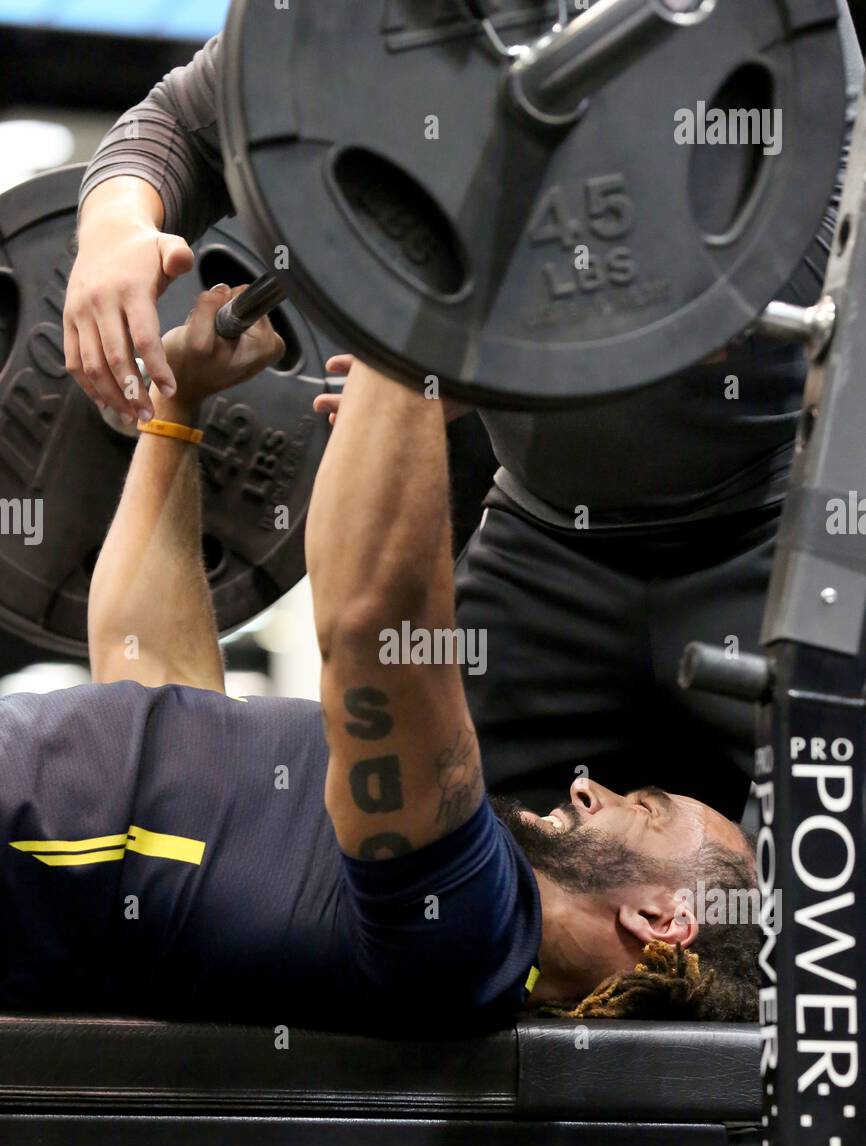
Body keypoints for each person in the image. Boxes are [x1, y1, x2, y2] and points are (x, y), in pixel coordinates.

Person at [63, 14, 864, 821]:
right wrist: (115, 232)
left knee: (821, 904)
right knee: (419, 842)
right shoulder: (381, 23)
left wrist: (502, 361)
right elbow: (178, 125)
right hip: (545, 545)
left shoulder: (773, 33)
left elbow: (745, 298)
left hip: (767, 529)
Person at [0, 288, 758, 1032]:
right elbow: (157, 685)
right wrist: (181, 408)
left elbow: (372, 615)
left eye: (646, 811)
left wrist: (416, 322)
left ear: (661, 920)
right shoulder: (450, 918)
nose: (592, 788)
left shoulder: (467, 933)